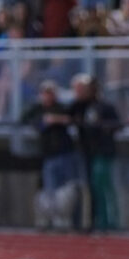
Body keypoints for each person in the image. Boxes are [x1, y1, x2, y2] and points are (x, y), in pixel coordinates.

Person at [24, 80, 78, 230]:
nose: (48, 96)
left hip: (65, 153)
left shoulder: (61, 108)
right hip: (48, 155)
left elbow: (72, 118)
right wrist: (43, 122)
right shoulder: (37, 109)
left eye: (50, 93)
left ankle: (65, 219)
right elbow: (26, 119)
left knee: (67, 189)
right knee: (50, 190)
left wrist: (57, 119)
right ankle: (50, 219)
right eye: (45, 93)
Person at [71, 74, 123, 232]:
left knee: (104, 187)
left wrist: (104, 127)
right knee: (94, 189)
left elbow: (117, 125)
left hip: (103, 152)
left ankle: (110, 221)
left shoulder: (105, 107)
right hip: (90, 153)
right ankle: (98, 220)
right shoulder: (82, 107)